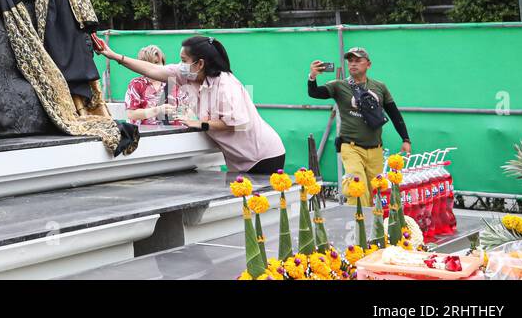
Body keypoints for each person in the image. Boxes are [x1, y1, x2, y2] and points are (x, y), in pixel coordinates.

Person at [93, 34, 287, 174]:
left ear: (200, 64)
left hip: (263, 157)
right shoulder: (187, 75)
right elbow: (152, 70)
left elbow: (237, 122)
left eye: (184, 60)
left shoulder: (225, 85)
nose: (180, 64)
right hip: (241, 161)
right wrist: (114, 56)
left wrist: (199, 124)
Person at [308, 47, 411, 204]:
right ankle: (358, 225)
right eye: (350, 61)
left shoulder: (379, 87)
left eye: (358, 60)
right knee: (357, 187)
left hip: (375, 148)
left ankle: (373, 226)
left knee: (376, 193)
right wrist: (312, 77)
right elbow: (314, 93)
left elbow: (394, 113)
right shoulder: (339, 85)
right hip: (351, 147)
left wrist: (405, 139)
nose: (353, 64)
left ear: (368, 65)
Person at [121, 45, 184, 126]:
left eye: (157, 62)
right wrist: (157, 110)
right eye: (149, 63)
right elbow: (131, 114)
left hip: (172, 134)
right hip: (145, 135)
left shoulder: (174, 83)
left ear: (163, 63)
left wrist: (176, 111)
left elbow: (186, 110)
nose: (154, 66)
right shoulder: (137, 84)